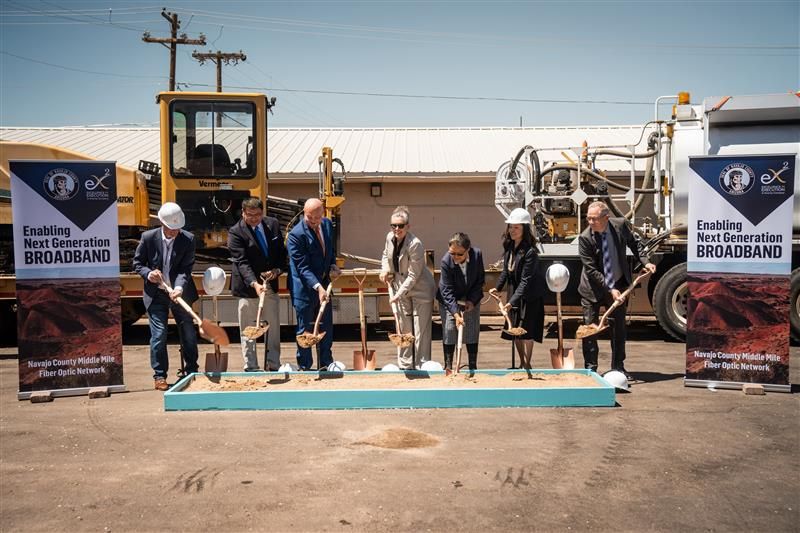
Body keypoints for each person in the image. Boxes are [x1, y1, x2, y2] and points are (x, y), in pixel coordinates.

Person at [578, 201, 656, 379]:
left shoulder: (619, 226)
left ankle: (618, 367)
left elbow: (635, 244)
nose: (590, 222)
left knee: (618, 329)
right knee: (590, 329)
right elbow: (591, 270)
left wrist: (646, 262)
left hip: (619, 283)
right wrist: (609, 288)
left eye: (594, 219)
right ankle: (590, 369)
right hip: (592, 289)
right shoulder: (585, 238)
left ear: (606, 218)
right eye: (588, 218)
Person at [133, 202, 199, 391]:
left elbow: (186, 268)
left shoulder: (188, 239)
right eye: (171, 229)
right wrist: (148, 274)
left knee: (188, 332)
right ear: (162, 223)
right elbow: (137, 264)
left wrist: (178, 287)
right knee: (159, 334)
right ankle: (160, 375)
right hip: (156, 294)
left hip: (180, 292)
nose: (174, 232)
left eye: (178, 229)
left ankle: (192, 370)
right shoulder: (148, 238)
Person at [228, 197, 287, 372]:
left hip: (270, 284)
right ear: (243, 213)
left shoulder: (273, 224)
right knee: (248, 329)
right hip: (248, 287)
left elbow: (281, 253)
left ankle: (273, 363)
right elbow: (241, 262)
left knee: (273, 327)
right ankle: (251, 366)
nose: (255, 218)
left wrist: (277, 270)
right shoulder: (235, 232)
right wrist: (254, 283)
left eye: (258, 214)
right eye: (251, 215)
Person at [379, 206, 435, 369]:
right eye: (394, 225)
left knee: (420, 331)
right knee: (404, 327)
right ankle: (405, 365)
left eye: (401, 226)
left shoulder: (415, 244)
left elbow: (413, 275)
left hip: (420, 290)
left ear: (408, 226)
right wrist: (385, 269)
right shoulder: (389, 237)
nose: (397, 229)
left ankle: (421, 365)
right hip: (399, 287)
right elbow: (385, 255)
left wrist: (398, 294)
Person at [489, 208, 546, 369]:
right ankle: (522, 362)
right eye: (510, 227)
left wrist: (511, 302)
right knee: (514, 331)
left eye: (516, 227)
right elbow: (507, 271)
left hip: (530, 296)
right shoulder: (509, 247)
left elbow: (526, 281)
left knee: (526, 332)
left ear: (525, 229)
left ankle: (528, 363)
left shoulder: (530, 252)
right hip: (515, 292)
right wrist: (498, 288)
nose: (512, 231)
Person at [287, 198, 340, 370]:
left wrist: (332, 265)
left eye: (318, 217)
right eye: (311, 218)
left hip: (324, 285)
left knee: (326, 327)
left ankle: (325, 364)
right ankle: (305, 367)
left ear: (323, 213)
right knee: (305, 330)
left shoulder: (326, 225)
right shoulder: (296, 235)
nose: (315, 222)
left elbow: (329, 250)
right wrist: (318, 287)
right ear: (304, 213)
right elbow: (302, 268)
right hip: (304, 289)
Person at [437, 232, 485, 372]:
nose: (456, 257)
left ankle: (472, 366)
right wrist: (456, 314)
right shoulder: (446, 261)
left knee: (472, 329)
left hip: (471, 296)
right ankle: (448, 366)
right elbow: (446, 290)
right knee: (450, 329)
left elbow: (479, 281)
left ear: (468, 250)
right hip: (450, 299)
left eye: (460, 254)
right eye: (453, 253)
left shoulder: (477, 255)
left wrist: (472, 300)